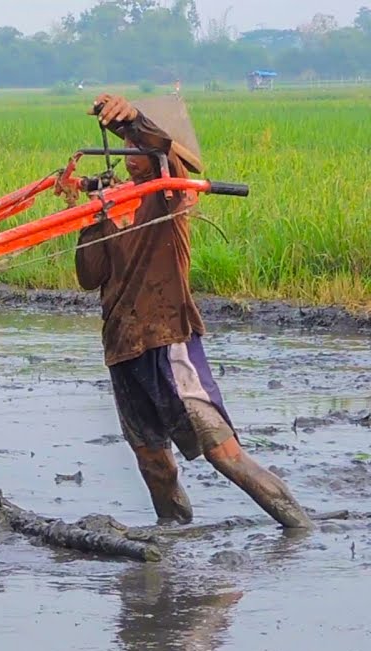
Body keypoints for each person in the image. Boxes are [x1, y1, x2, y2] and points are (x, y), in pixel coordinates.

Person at [73, 93, 312, 529]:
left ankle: (299, 527)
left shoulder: (169, 194)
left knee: (224, 454)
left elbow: (165, 152)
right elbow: (90, 277)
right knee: (154, 464)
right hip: (121, 347)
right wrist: (90, 215)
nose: (129, 153)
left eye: (135, 145)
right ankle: (173, 536)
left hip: (167, 339)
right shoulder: (115, 203)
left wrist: (132, 119)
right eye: (125, 145)